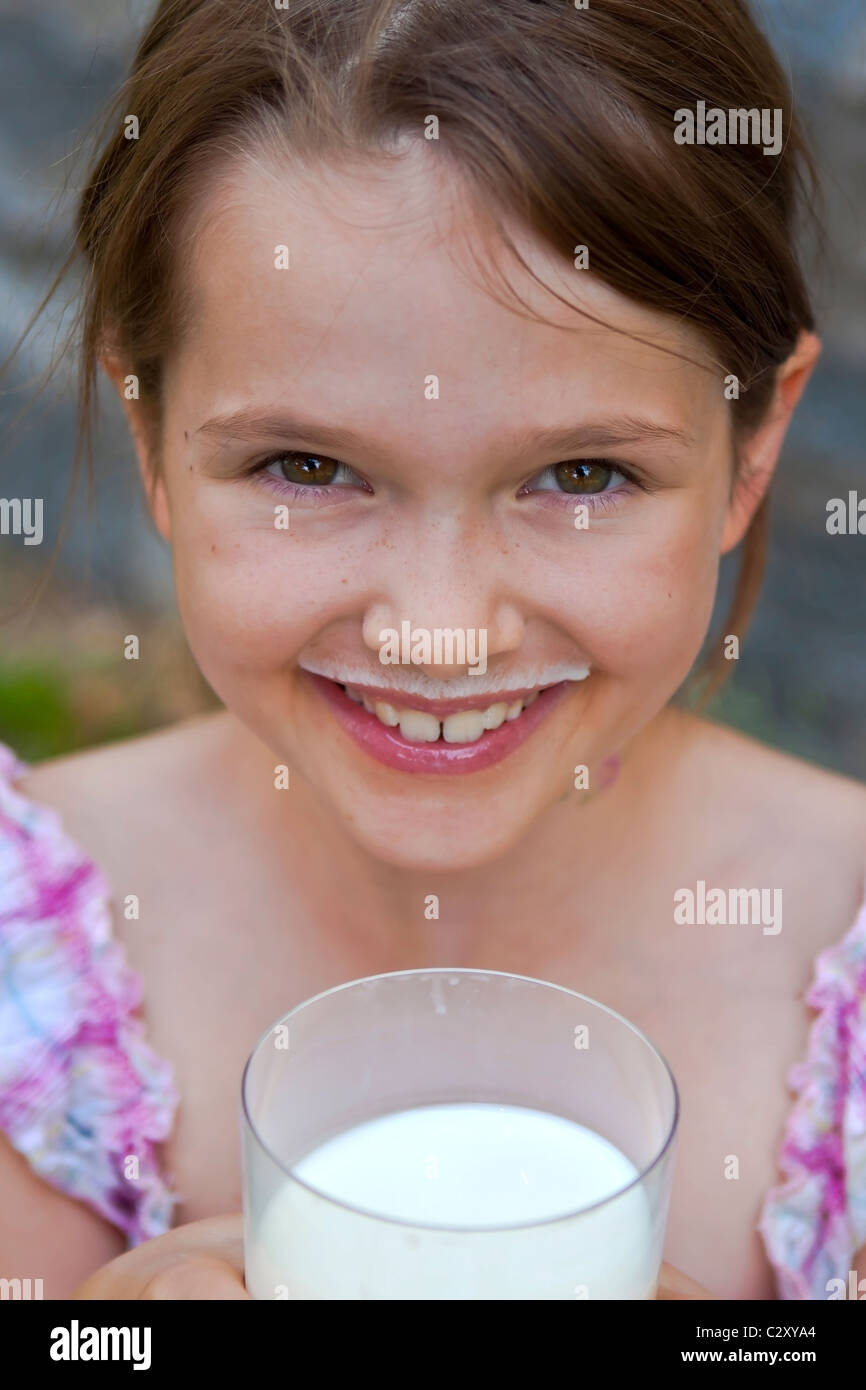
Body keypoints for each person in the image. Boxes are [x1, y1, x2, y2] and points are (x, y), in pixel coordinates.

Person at [1, 0, 864, 1301]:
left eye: (582, 472)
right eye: (307, 466)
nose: (439, 629)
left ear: (750, 449)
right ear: (151, 433)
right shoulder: (28, 972)